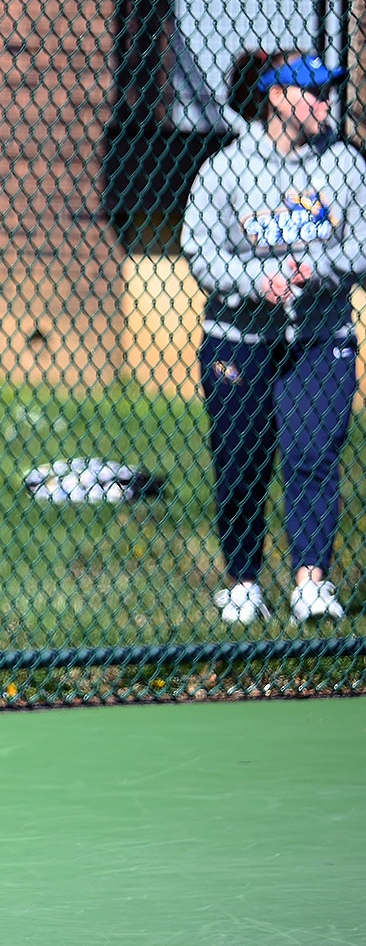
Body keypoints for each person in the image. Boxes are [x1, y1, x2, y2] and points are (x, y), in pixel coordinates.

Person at [183, 48, 366, 626]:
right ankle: (243, 584)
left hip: (320, 333)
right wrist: (254, 281)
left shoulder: (346, 166)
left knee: (314, 456)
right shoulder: (226, 170)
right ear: (276, 97)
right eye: (311, 91)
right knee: (241, 464)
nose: (324, 101)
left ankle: (311, 584)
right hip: (240, 338)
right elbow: (202, 252)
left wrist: (321, 270)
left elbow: (360, 245)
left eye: (327, 90)